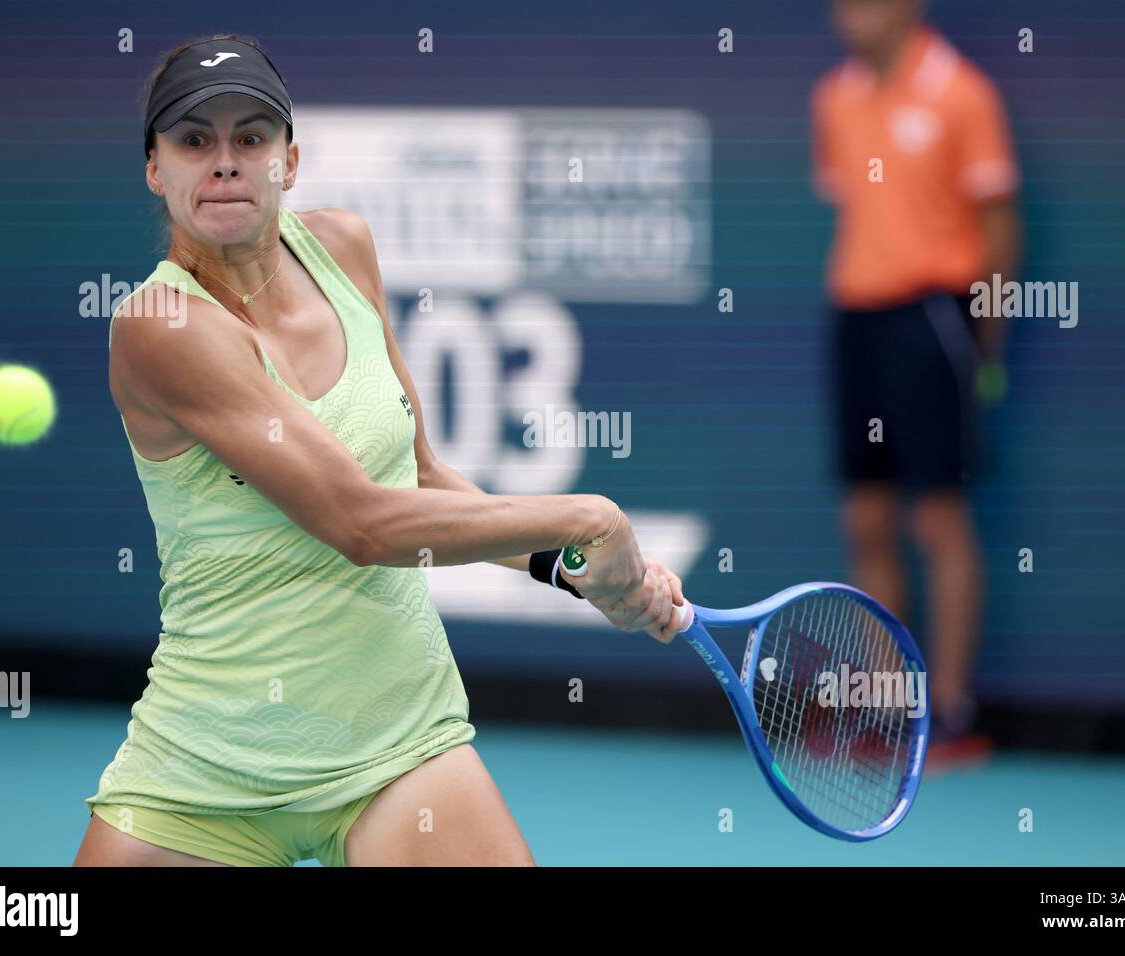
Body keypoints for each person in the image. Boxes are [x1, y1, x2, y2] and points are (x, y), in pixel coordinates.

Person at [74, 33, 685, 867]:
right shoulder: (160, 328)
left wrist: (569, 566)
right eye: (193, 140)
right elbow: (362, 522)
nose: (225, 162)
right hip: (208, 774)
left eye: (251, 138)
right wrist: (592, 517)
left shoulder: (345, 249)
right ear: (155, 168)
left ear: (291, 159)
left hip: (399, 747)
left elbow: (420, 478)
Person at [811, 0, 1022, 767]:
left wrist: (983, 343)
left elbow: (999, 224)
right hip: (856, 320)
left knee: (937, 520)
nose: (848, 11)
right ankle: (885, 714)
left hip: (935, 320)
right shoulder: (833, 96)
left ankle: (954, 714)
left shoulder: (963, 93)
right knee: (867, 520)